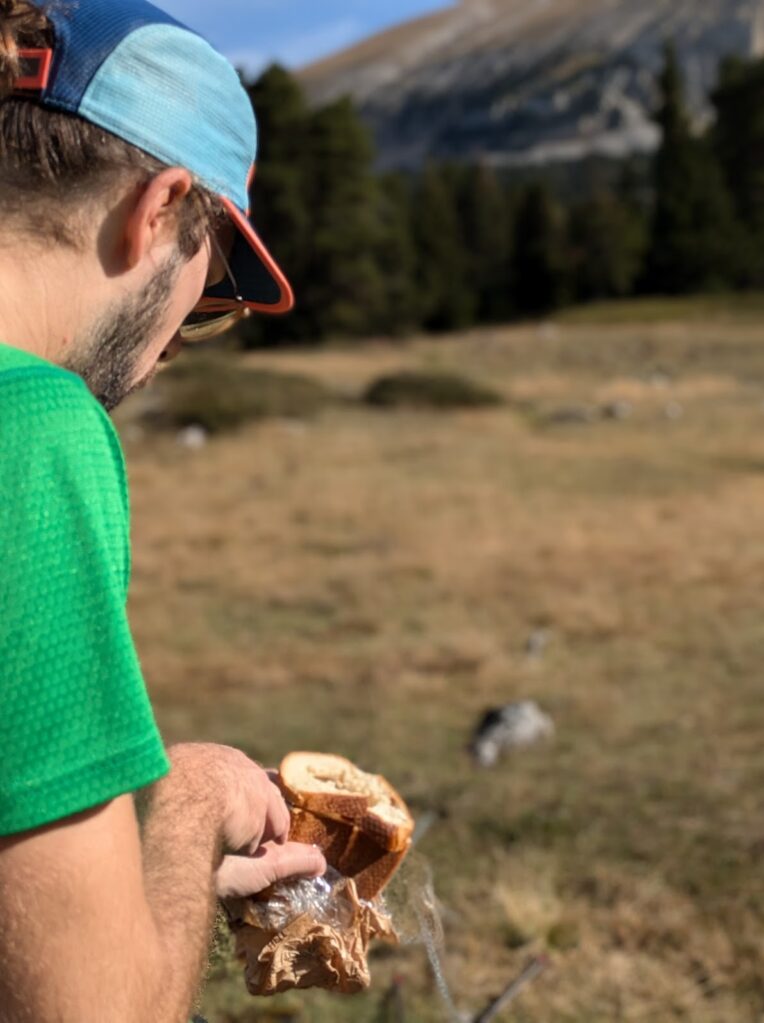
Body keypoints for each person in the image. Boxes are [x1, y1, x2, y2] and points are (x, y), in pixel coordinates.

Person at [0, 1, 326, 1019]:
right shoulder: (33, 430)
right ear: (162, 206)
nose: (189, 324)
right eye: (216, 276)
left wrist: (142, 898)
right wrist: (188, 809)